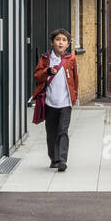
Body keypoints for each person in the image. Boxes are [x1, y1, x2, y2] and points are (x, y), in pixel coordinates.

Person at [31, 28, 78, 172]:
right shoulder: (45, 59)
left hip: (65, 102)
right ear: (52, 42)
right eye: (58, 39)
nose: (61, 42)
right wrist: (47, 71)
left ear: (68, 44)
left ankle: (62, 160)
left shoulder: (71, 59)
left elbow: (75, 79)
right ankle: (54, 159)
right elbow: (37, 76)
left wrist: (74, 96)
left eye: (64, 40)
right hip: (50, 102)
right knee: (51, 132)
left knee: (63, 131)